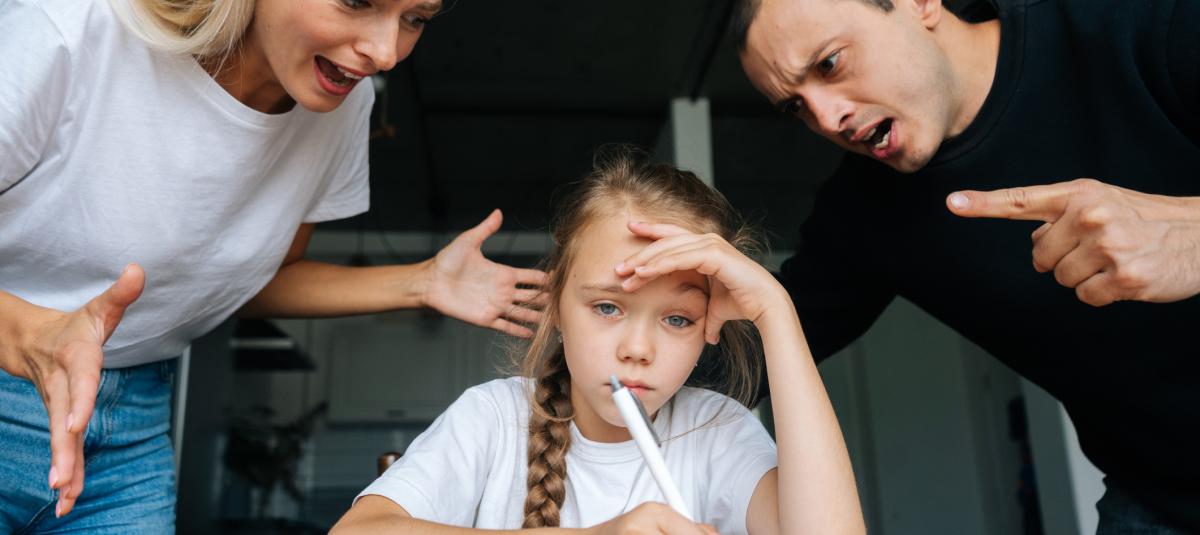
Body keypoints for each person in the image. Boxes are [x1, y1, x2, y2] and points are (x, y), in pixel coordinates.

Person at [0, 0, 545, 531]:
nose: (385, 53)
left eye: (414, 19)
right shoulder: (68, 29)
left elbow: (257, 278)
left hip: (131, 427)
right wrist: (28, 334)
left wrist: (423, 282)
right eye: (356, 1)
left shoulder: (341, 104)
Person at [723, 0, 1200, 532]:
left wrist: (1192, 236)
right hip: (1162, 497)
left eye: (830, 64)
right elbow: (737, 361)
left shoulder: (1143, 22)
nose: (827, 118)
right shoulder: (864, 215)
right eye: (795, 106)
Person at [330, 148, 866, 534]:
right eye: (608, 307)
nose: (638, 349)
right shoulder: (494, 420)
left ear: (710, 327)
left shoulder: (717, 431)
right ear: (558, 305)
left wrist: (776, 313)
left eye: (677, 319)